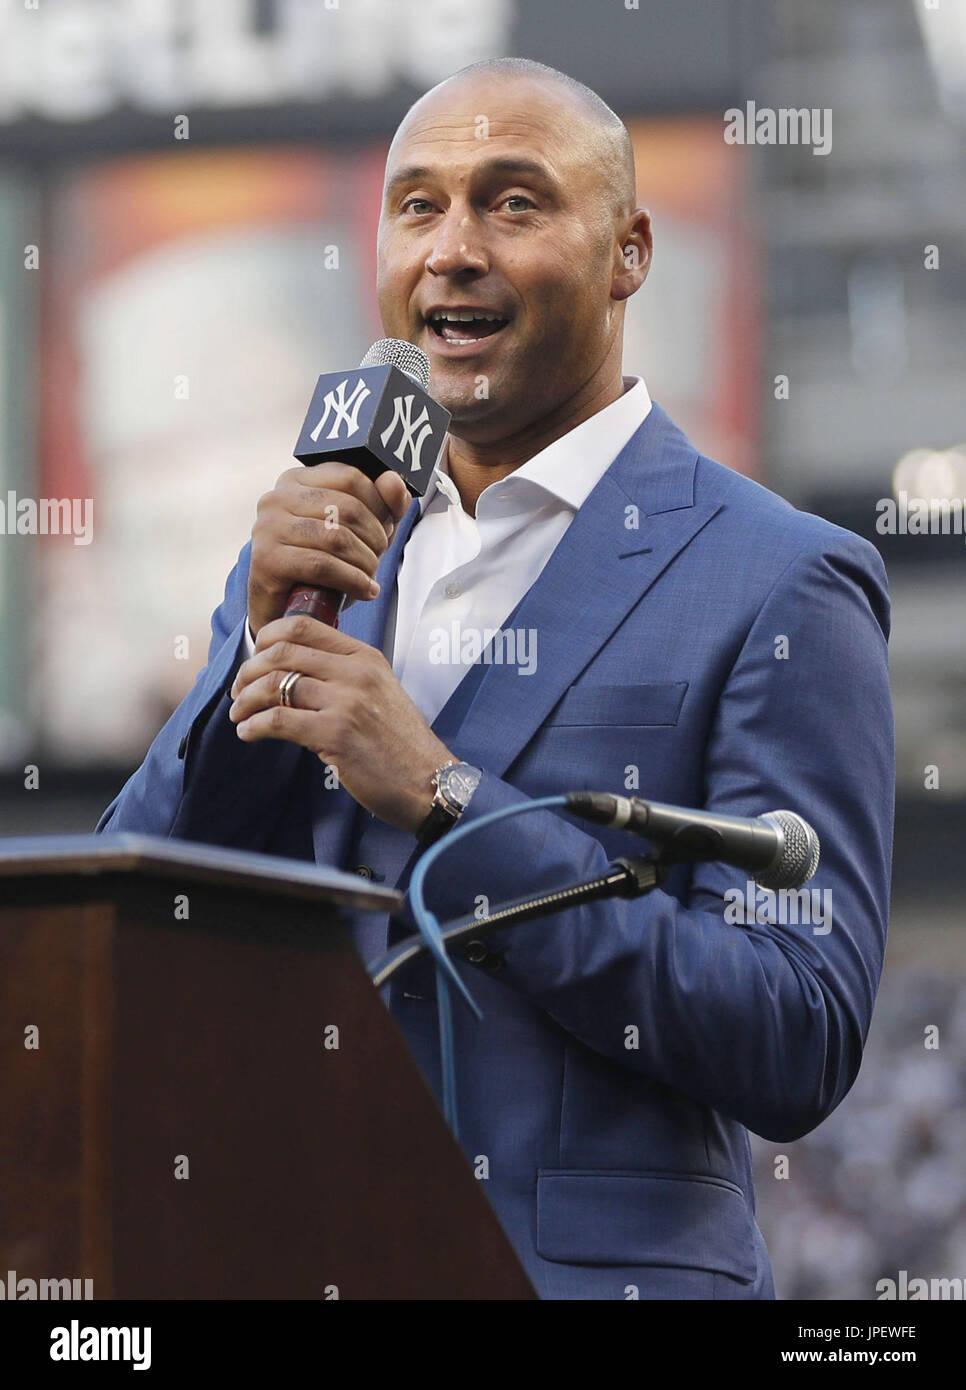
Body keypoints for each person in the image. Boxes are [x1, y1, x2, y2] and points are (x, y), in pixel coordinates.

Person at [97, 57, 894, 1300]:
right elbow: (132, 937)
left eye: (512, 203)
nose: (452, 249)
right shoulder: (314, 547)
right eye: (417, 206)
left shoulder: (782, 580)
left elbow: (796, 1031)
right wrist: (252, 660)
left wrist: (448, 792)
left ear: (629, 251)